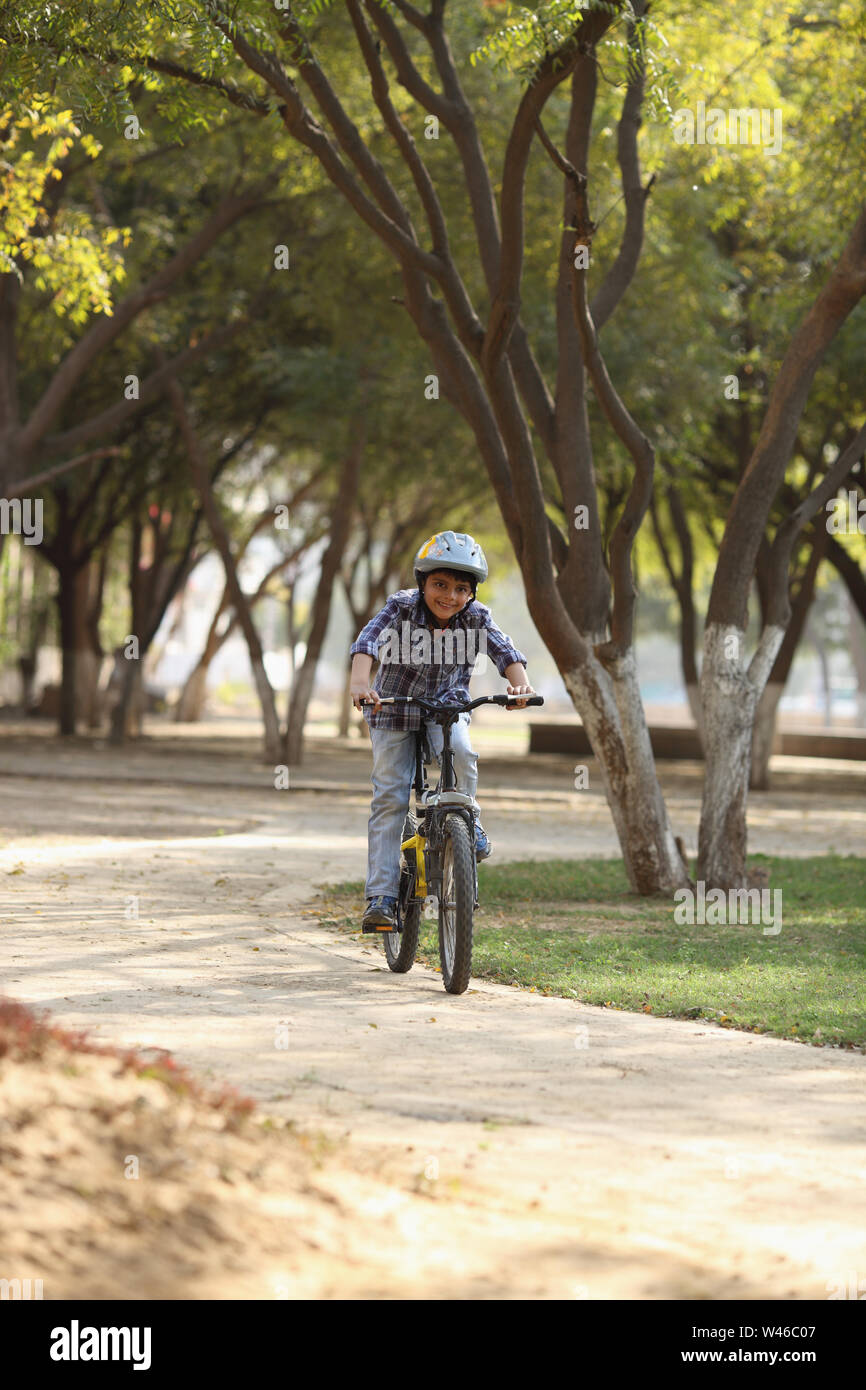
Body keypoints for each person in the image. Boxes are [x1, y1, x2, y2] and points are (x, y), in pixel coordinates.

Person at [349, 530, 534, 931]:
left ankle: (469, 821)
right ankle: (381, 896)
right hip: (393, 710)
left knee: (464, 753)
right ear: (422, 583)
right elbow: (368, 640)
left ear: (472, 593)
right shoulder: (400, 608)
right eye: (440, 585)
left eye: (460, 589)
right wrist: (361, 684)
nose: (449, 596)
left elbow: (506, 652)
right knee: (390, 799)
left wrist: (519, 684)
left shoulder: (476, 617)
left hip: (445, 709)